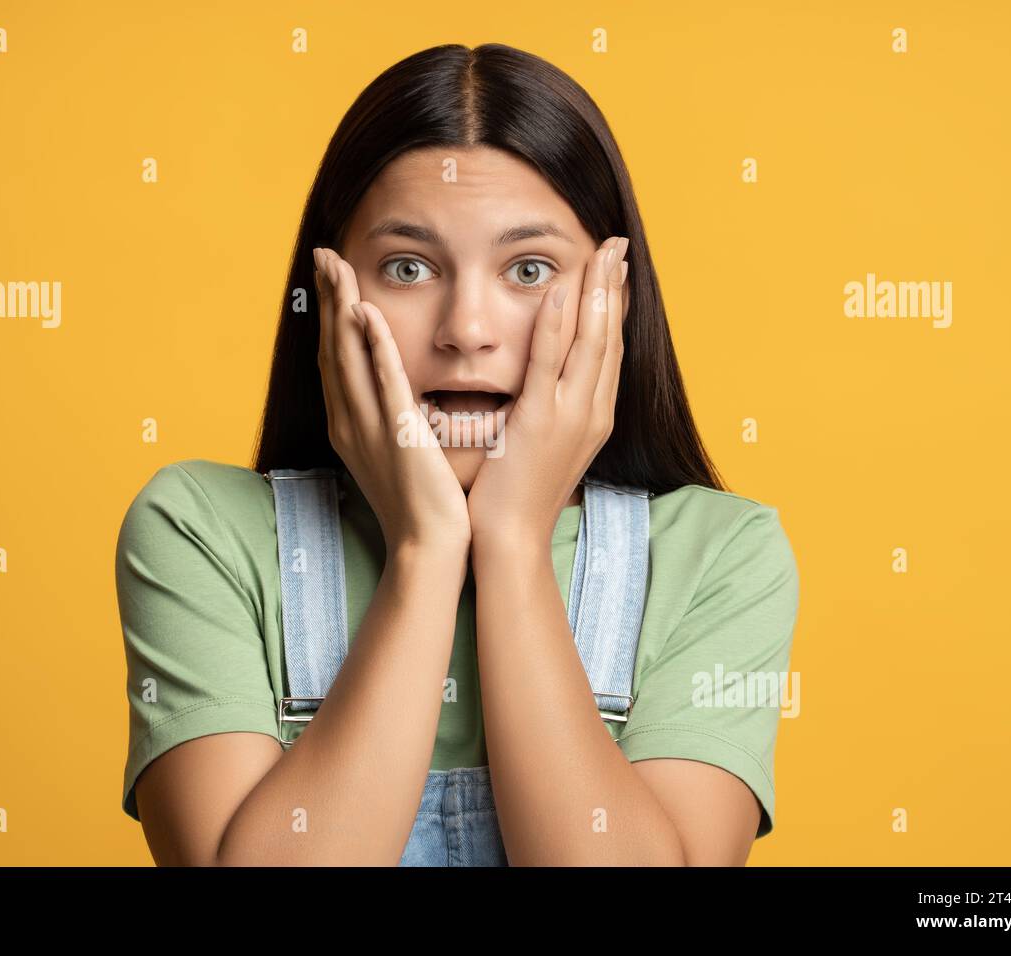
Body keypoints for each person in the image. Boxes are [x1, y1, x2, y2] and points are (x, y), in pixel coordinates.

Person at [115, 42, 799, 866]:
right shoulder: (199, 530)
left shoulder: (720, 556)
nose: (466, 330)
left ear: (611, 300)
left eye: (529, 268)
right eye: (408, 267)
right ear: (330, 296)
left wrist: (511, 540)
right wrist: (425, 548)